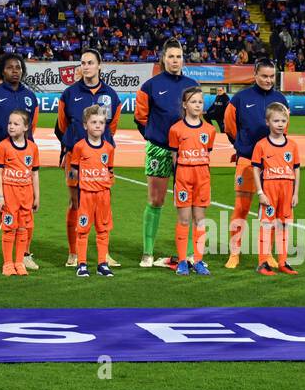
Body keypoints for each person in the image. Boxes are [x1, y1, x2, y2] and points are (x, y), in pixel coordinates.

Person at [134, 39, 198, 267]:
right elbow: (140, 118)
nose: (175, 61)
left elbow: (197, 115)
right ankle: (147, 253)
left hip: (187, 152)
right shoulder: (150, 86)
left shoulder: (192, 85)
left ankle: (188, 254)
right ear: (163, 58)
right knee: (155, 200)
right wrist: (155, 138)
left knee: (187, 203)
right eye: (171, 56)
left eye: (178, 56)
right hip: (159, 149)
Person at [55, 47, 121, 268]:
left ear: (99, 65)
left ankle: (104, 254)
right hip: (76, 157)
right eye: (82, 63)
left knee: (103, 203)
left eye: (90, 62)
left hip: (100, 159)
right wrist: (69, 147)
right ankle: (74, 253)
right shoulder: (69, 94)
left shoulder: (111, 95)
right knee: (75, 202)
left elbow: (112, 126)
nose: (86, 67)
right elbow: (62, 126)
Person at [0, 53, 40, 271]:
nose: (15, 71)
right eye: (11, 67)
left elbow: (32, 128)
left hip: (24, 162)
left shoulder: (30, 97)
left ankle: (25, 253)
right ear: (2, 70)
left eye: (19, 67)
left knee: (26, 205)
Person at [222, 59, 286, 269]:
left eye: (271, 76)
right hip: (247, 161)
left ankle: (266, 254)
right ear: (255, 75)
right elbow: (229, 126)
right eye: (264, 76)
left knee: (269, 211)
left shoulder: (280, 99)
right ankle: (234, 253)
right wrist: (240, 145)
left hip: (272, 164)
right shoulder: (240, 98)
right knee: (241, 208)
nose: (268, 80)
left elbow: (283, 130)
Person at [167, 87, 216, 275]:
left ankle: (198, 260)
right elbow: (174, 157)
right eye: (193, 101)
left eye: (200, 102)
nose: (197, 105)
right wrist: (177, 179)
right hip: (183, 179)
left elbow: (207, 154)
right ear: (185, 105)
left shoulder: (210, 130)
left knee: (200, 219)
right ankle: (181, 261)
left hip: (202, 179)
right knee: (184, 219)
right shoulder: (176, 129)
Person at [250, 102, 300, 276]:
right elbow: (255, 169)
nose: (280, 124)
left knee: (284, 226)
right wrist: (260, 192)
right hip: (269, 190)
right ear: (267, 122)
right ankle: (263, 262)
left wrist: (296, 193)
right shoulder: (261, 145)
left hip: (287, 190)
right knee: (266, 225)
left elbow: (296, 169)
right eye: (276, 120)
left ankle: (283, 262)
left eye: (283, 121)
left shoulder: (292, 145)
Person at [0, 109, 40, 276]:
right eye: (9, 123)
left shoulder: (33, 148)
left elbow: (34, 173)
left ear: (26, 127)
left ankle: (19, 262)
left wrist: (36, 196)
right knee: (8, 228)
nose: (11, 127)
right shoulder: (3, 146)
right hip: (9, 195)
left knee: (23, 229)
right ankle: (7, 263)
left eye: (16, 124)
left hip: (26, 195)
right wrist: (0, 196)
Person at [70, 105, 117, 278]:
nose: (98, 125)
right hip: (86, 195)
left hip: (103, 196)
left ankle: (102, 264)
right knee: (83, 229)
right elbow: (74, 170)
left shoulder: (109, 149)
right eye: (94, 122)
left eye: (101, 122)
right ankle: (81, 264)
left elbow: (109, 170)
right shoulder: (79, 147)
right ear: (85, 125)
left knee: (103, 230)